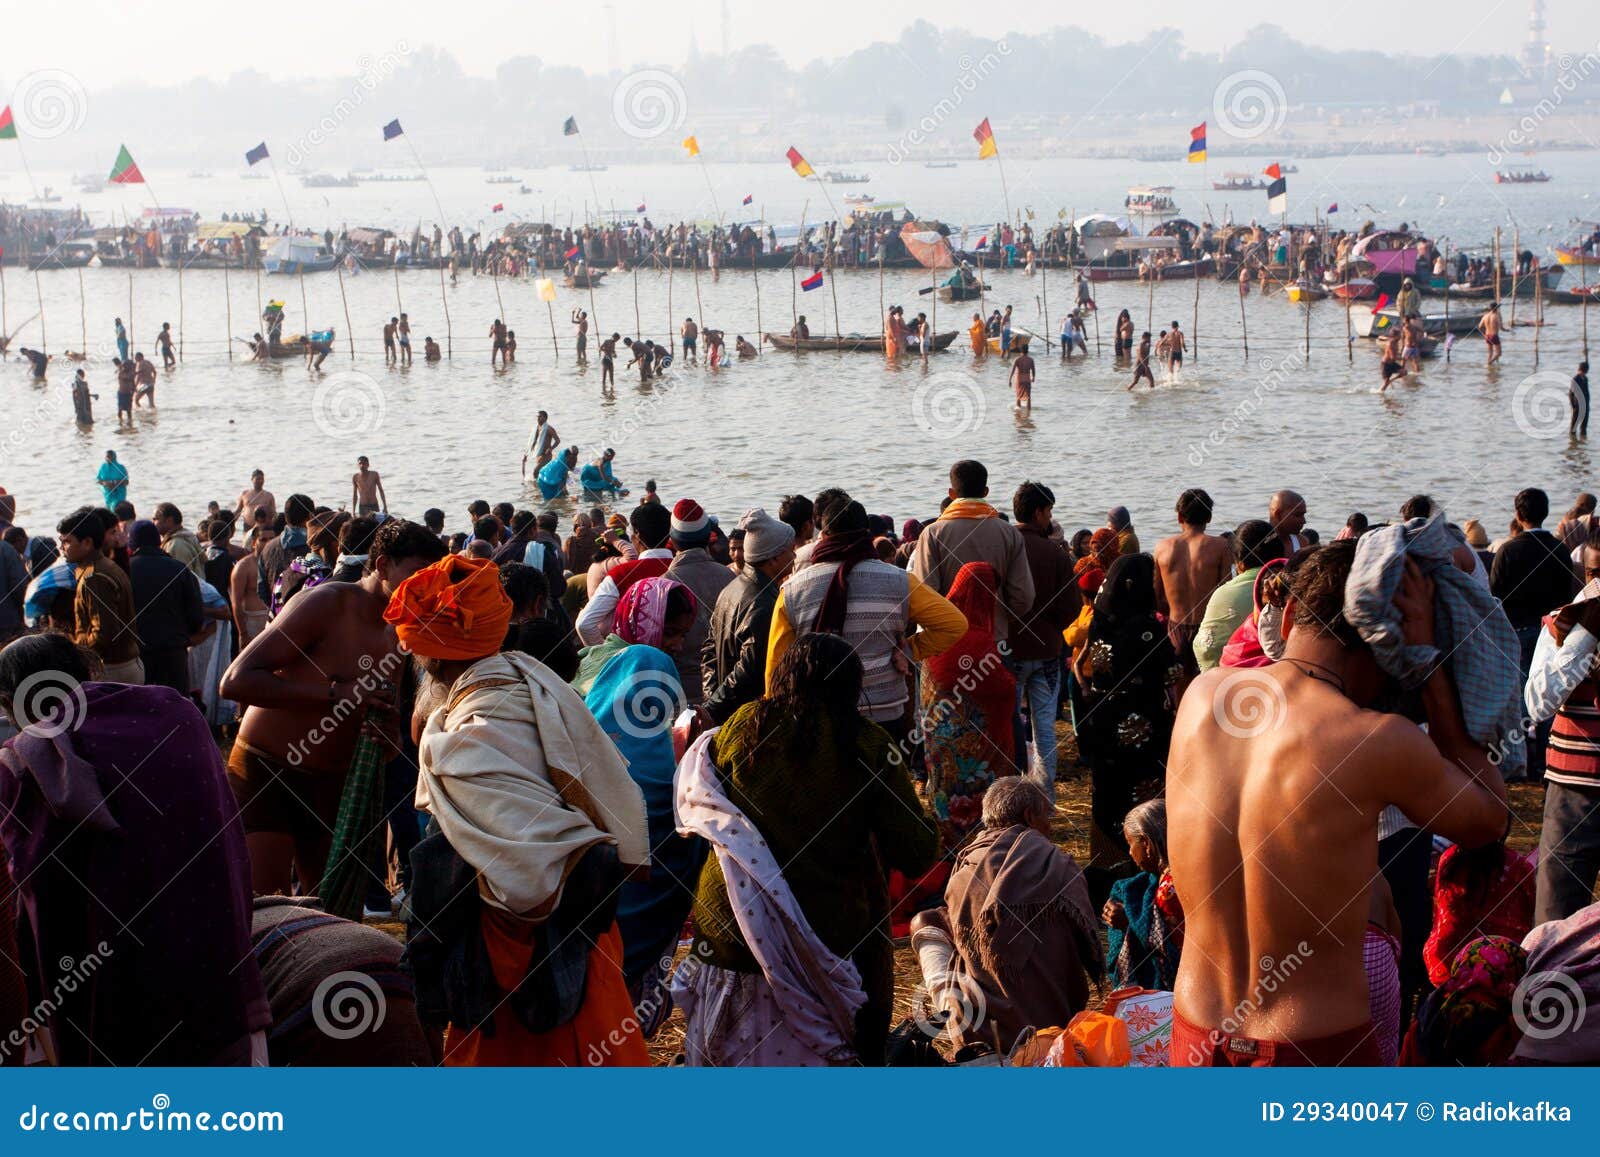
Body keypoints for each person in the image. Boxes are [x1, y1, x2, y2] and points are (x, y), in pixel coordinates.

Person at [1168, 544, 1508, 1067]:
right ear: (1388, 649)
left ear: (1287, 616)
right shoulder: (1375, 739)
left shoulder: (1201, 697)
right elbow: (1489, 820)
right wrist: (1430, 667)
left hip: (1197, 1031)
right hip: (1313, 1045)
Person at [392, 554, 651, 1066]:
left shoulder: (465, 732)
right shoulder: (535, 683)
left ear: (431, 663)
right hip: (582, 926)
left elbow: (523, 875)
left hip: (513, 946)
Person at [0, 633, 270, 1064]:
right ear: (86, 671)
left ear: (13, 702)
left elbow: (33, 893)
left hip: (109, 990)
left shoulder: (20, 764)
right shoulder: (175, 712)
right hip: (214, 960)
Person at [674, 634, 937, 1065]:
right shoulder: (866, 745)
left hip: (732, 936)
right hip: (826, 946)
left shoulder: (743, 726)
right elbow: (916, 851)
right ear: (853, 686)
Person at [220, 519, 447, 895]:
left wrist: (388, 736)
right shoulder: (326, 602)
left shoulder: (402, 631)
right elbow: (235, 681)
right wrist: (334, 693)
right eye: (417, 576)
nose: (426, 589)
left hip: (331, 786)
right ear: (383, 566)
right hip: (267, 772)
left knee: (327, 914)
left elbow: (387, 743)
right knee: (266, 910)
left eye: (432, 579)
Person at [582, 576, 704, 1024]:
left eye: (680, 636)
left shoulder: (589, 729)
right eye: (669, 633)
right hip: (644, 911)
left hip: (591, 920)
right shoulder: (671, 762)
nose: (675, 645)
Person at [910, 778, 1101, 1053]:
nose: (1050, 826)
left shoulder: (965, 866)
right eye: (1046, 816)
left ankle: (949, 1008)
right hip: (1053, 1030)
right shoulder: (1060, 866)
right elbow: (1089, 950)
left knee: (924, 921)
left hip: (977, 1033)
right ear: (1028, 816)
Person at [768, 499, 966, 741]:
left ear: (824, 534)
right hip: (885, 710)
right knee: (884, 777)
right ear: (867, 534)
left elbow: (777, 665)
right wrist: (909, 650)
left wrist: (778, 717)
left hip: (818, 712)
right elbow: (954, 625)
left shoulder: (792, 590)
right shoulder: (900, 581)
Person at [1075, 553, 1177, 872]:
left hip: (1104, 720)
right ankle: (1146, 863)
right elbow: (1171, 673)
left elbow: (1089, 669)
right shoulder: (1147, 628)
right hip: (1142, 723)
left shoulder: (1099, 622)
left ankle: (1107, 864)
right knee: (1143, 789)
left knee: (1108, 791)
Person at [922, 562, 1019, 845]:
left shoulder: (936, 630)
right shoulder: (976, 638)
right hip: (975, 752)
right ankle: (980, 848)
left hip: (940, 746)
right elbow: (1003, 690)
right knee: (979, 802)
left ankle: (948, 848)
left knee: (946, 797)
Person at [1523, 579, 1600, 923]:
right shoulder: (1562, 625)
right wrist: (1585, 634)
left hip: (1570, 790)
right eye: (1595, 571)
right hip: (1572, 794)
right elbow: (1540, 704)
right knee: (1554, 921)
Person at [1492, 487, 1578, 780]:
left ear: (1518, 515)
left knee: (1517, 699)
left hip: (1515, 634)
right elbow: (1568, 596)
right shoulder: (1560, 549)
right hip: (1551, 634)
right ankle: (1545, 761)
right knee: (1548, 697)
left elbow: (1495, 599)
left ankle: (1519, 764)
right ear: (1546, 512)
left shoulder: (1507, 550)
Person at [909, 459, 1035, 644]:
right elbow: (1023, 597)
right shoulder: (1009, 533)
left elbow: (925, 594)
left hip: (945, 643)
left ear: (951, 494)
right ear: (985, 492)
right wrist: (997, 618)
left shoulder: (933, 533)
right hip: (992, 641)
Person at [697, 509, 794, 727]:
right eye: (790, 551)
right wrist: (713, 709)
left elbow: (708, 653)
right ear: (775, 558)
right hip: (747, 717)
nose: (795, 556)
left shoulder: (731, 588)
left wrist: (712, 700)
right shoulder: (764, 602)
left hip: (725, 712)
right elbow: (749, 670)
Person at [1008, 481, 1075, 794]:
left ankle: (1012, 796)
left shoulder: (1005, 546)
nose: (1050, 518)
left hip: (1010, 650)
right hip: (1048, 652)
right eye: (1049, 511)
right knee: (1044, 727)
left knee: (1010, 724)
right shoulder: (1056, 552)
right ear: (1038, 513)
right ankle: (1045, 799)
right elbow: (1072, 606)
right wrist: (1051, 627)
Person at [1154, 488, 1235, 677]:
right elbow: (1225, 592)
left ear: (1179, 517)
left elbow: (1157, 595)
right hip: (1209, 627)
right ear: (1209, 518)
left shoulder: (1162, 547)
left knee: (1179, 688)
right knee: (1209, 684)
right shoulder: (1221, 546)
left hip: (1176, 628)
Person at [56, 506, 143, 683]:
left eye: (67, 542)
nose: (62, 548)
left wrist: (76, 652)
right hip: (123, 665)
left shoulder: (94, 578)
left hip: (113, 670)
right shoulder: (103, 567)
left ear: (87, 543)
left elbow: (104, 634)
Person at [1103, 798, 1183, 989]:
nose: (1130, 852)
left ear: (1146, 844)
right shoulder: (1176, 873)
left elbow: (1170, 948)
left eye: (1130, 843)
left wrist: (1129, 922)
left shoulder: (1169, 891)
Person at [663, 499, 734, 707]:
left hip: (679, 694)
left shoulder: (664, 584)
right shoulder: (729, 578)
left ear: (673, 541)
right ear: (707, 539)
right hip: (723, 692)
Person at [575, 502, 676, 646]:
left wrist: (610, 658)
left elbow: (584, 624)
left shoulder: (621, 574)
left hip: (635, 663)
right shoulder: (683, 568)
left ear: (636, 535)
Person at [1194, 519, 1284, 671]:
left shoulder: (1225, 593)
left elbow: (1206, 649)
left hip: (1230, 680)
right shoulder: (1298, 582)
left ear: (1239, 563)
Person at [126, 519, 203, 695]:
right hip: (173, 651)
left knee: (141, 705)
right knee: (174, 703)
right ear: (158, 541)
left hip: (137, 653)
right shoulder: (179, 569)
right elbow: (196, 616)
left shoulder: (124, 570)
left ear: (133, 544)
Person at [153, 501, 205, 579]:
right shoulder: (186, 536)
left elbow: (184, 579)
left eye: (155, 519)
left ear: (169, 521)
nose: (152, 522)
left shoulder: (176, 545)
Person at [1268, 488, 1308, 555]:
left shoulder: (1302, 543)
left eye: (1303, 515)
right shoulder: (1258, 545)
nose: (1304, 521)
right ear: (1278, 515)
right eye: (1298, 515)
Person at [523, 410, 560, 478]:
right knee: (542, 474)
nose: (538, 418)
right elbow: (531, 443)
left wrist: (550, 448)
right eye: (537, 416)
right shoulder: (535, 429)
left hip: (546, 456)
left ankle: (537, 488)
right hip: (538, 455)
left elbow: (558, 440)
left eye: (540, 417)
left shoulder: (549, 429)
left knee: (535, 472)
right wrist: (525, 455)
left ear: (545, 418)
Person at [1008, 343, 1036, 409]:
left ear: (1020, 350)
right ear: (1027, 350)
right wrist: (1033, 377)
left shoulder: (1017, 359)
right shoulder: (1031, 360)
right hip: (1027, 379)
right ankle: (1028, 413)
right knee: (1028, 397)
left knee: (1018, 396)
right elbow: (1033, 370)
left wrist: (1009, 380)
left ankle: (1018, 413)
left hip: (1019, 379)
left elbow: (1012, 371)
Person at [1573, 360, 1591, 438]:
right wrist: (1574, 406)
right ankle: (1573, 440)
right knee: (1574, 426)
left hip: (1585, 405)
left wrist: (1588, 405)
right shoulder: (1575, 379)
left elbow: (1587, 393)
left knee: (1584, 427)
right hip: (1577, 405)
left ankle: (1583, 441)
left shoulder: (1585, 378)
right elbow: (1572, 394)